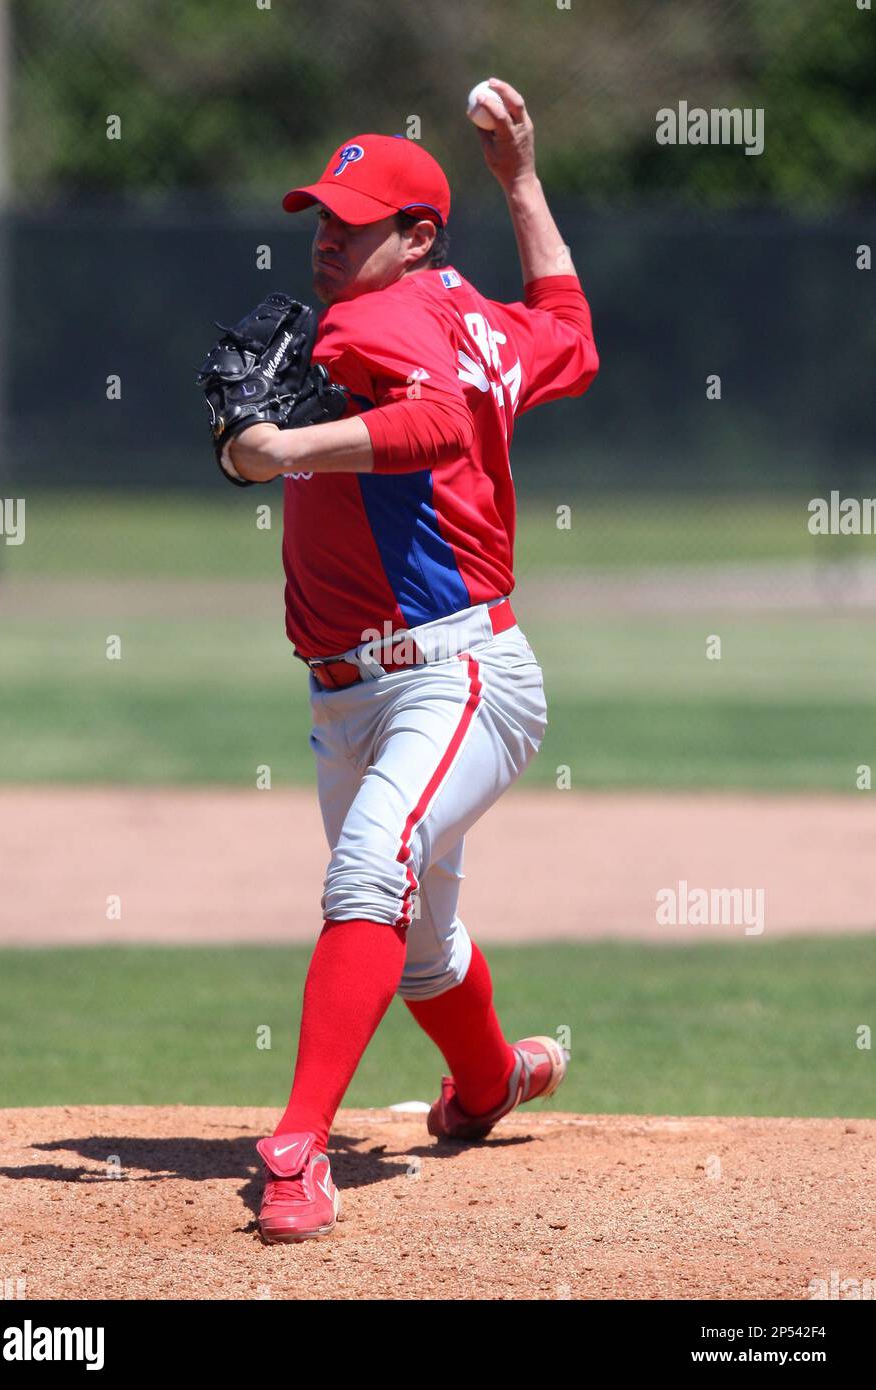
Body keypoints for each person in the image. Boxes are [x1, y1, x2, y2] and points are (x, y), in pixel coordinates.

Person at [225, 78, 599, 1244]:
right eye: (319, 218)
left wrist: (278, 448)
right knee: (424, 947)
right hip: (366, 686)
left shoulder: (370, 325)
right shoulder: (470, 314)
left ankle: (295, 1150)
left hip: (450, 673)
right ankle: (490, 1082)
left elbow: (430, 425)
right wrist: (523, 180)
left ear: (418, 235)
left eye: (353, 221)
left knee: (364, 875)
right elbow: (571, 336)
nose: (326, 238)